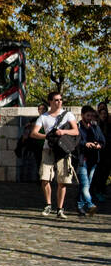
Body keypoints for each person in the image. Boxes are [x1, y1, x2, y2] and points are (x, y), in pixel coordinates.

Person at [31, 90, 79, 218]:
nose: (59, 102)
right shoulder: (44, 117)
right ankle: (48, 205)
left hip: (63, 150)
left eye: (60, 100)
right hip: (48, 149)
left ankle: (60, 208)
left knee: (62, 180)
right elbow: (33, 133)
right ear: (50, 101)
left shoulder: (68, 115)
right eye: (56, 100)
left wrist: (63, 132)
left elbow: (76, 131)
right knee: (45, 177)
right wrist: (47, 136)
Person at [75, 104, 105, 216]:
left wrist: (98, 145)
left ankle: (79, 205)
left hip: (93, 159)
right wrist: (85, 143)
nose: (89, 118)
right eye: (87, 115)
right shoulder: (77, 126)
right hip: (82, 158)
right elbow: (76, 141)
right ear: (82, 115)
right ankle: (90, 204)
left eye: (91, 116)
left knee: (86, 184)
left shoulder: (95, 127)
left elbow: (102, 141)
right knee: (85, 184)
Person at [16, 103, 46, 183]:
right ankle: (40, 178)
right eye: (39, 109)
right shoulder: (35, 119)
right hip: (36, 143)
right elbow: (27, 128)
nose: (41, 111)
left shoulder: (49, 118)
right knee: (38, 161)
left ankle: (43, 178)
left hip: (45, 144)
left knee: (44, 162)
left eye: (43, 109)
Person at [92, 101, 110, 204]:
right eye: (101, 110)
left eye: (105, 111)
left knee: (105, 173)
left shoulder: (109, 123)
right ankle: (96, 191)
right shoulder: (96, 124)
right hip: (98, 152)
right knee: (98, 173)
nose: (103, 114)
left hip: (108, 152)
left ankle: (102, 190)